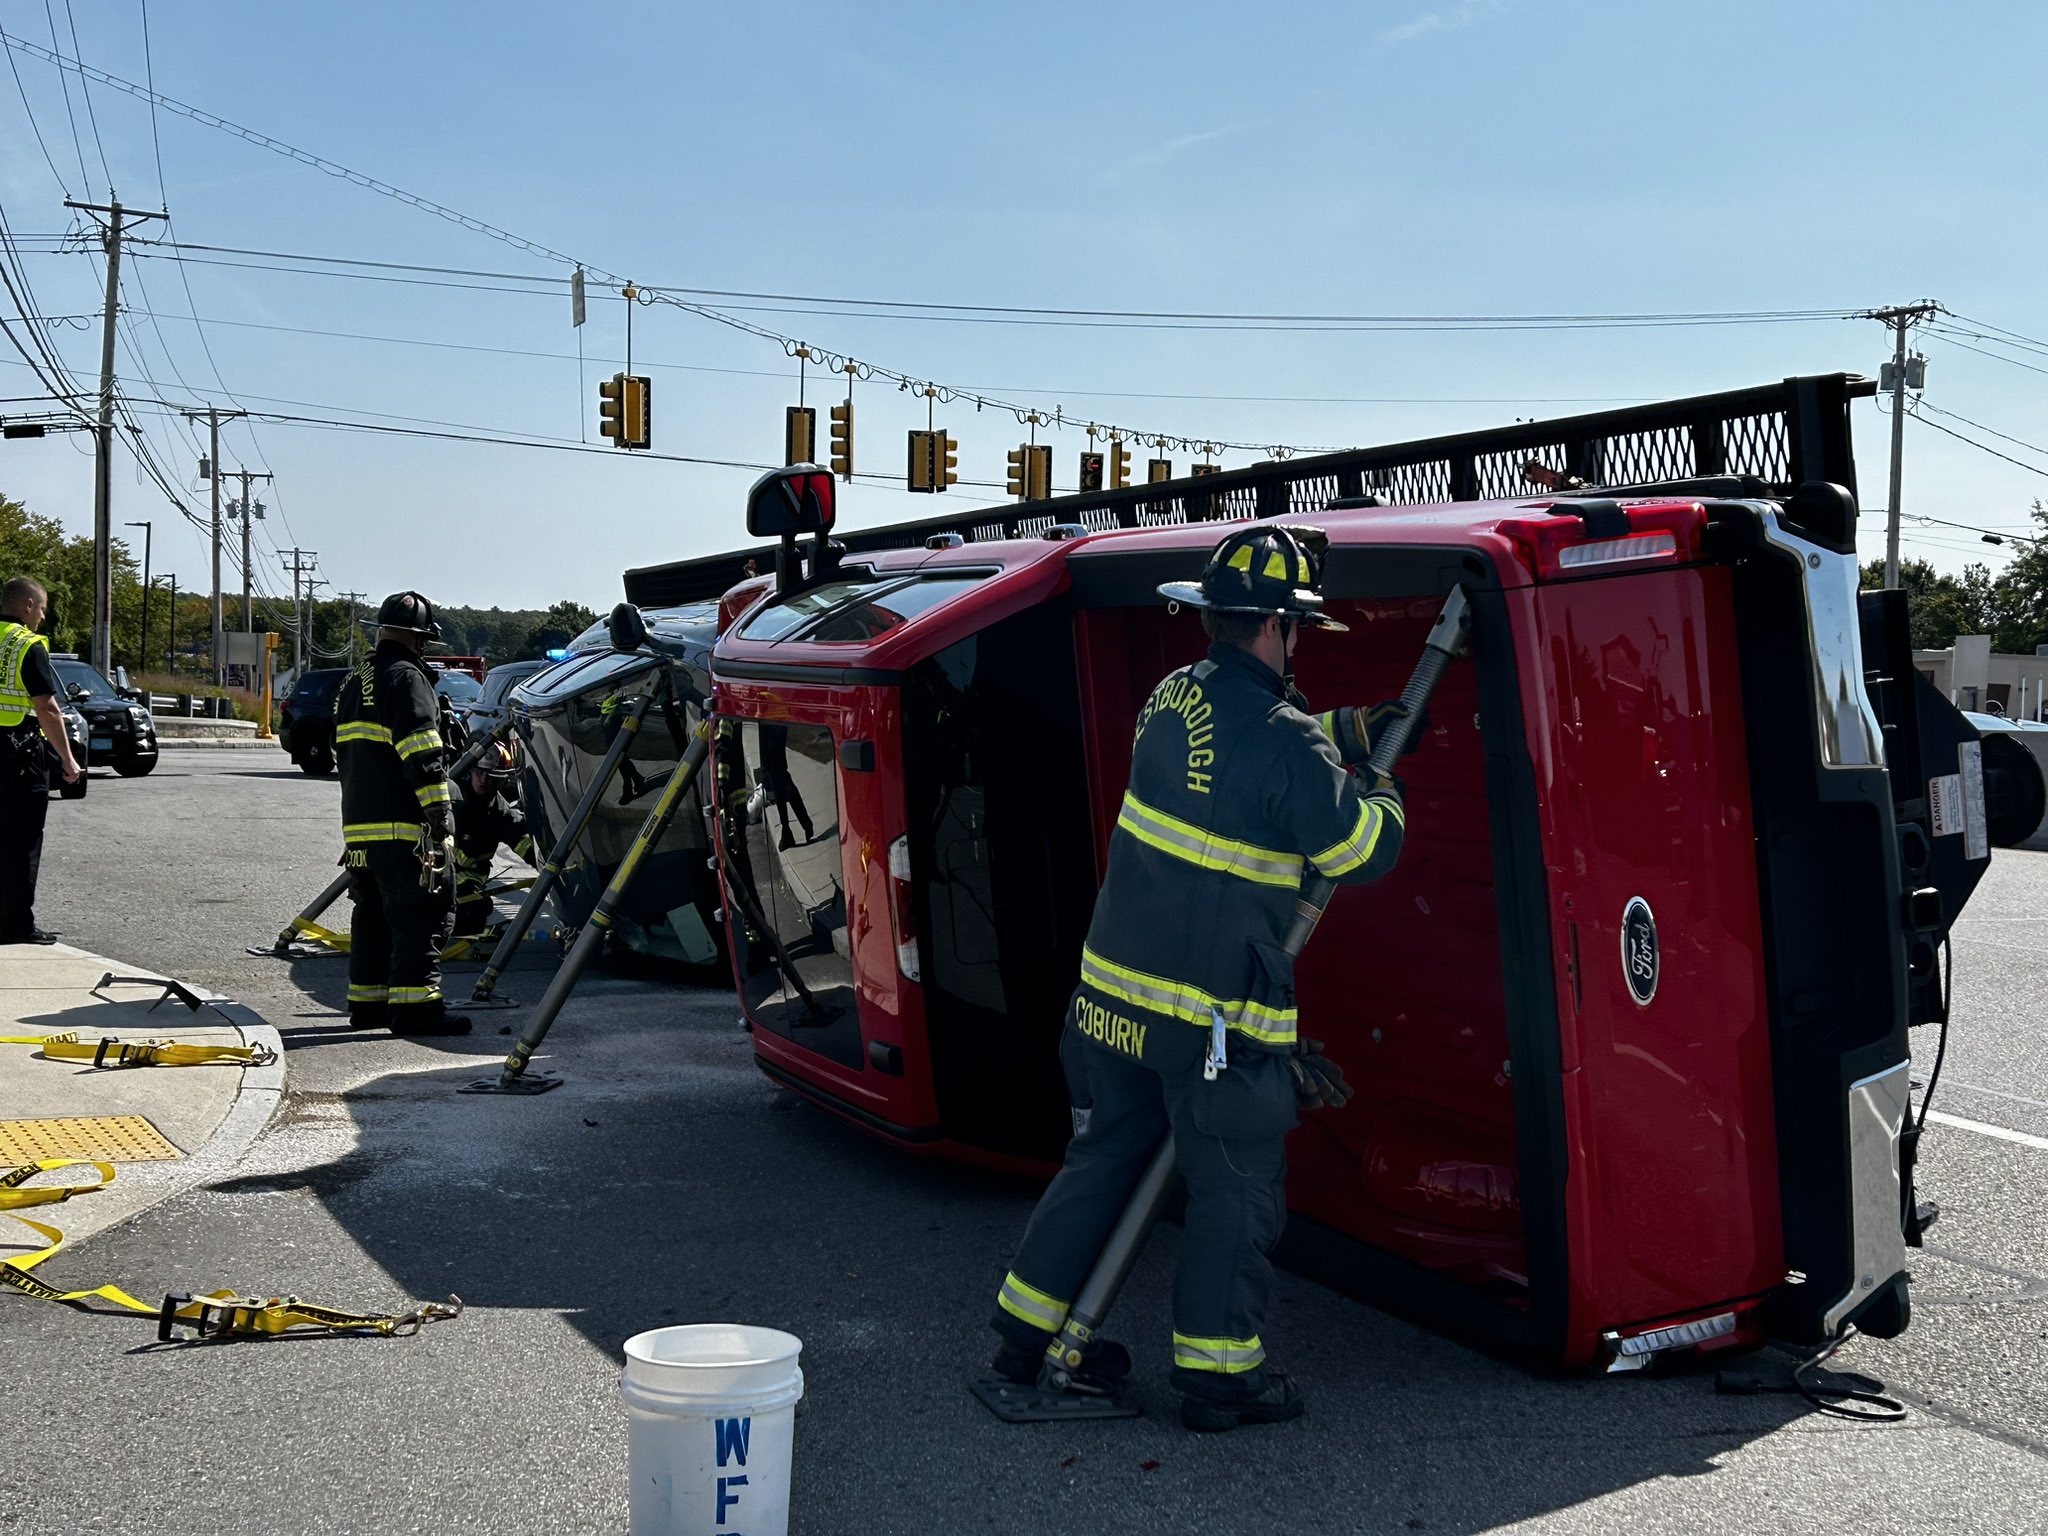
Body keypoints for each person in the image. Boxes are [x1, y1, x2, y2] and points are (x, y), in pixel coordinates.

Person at [985, 525, 1408, 1432]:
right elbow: (1356, 848)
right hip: (1208, 1019)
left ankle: (1025, 1335)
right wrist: (1382, 784)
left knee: (1102, 1161)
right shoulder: (1283, 741)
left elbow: (1241, 767)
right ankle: (1223, 1377)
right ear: (1278, 630)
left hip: (1111, 1002)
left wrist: (1335, 731)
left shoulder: (1172, 696)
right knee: (1236, 1187)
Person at [336, 591, 470, 1035]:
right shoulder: (407, 678)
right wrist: (439, 814)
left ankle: (368, 1004)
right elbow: (422, 752)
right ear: (422, 639)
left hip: (359, 829)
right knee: (422, 915)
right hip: (403, 828)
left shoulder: (355, 680)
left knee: (372, 917)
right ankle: (417, 1010)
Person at [0, 577, 83, 944]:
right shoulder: (27, 645)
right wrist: (68, 759)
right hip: (18, 755)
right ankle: (17, 924)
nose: (44, 617)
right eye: (44, 608)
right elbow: (48, 709)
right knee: (23, 840)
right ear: (28, 606)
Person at [452, 738, 531, 940]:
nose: (484, 780)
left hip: (467, 883)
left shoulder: (499, 812)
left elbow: (524, 843)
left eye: (492, 776)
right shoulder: (449, 797)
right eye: (480, 773)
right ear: (470, 771)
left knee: (475, 909)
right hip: (430, 878)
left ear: (503, 780)